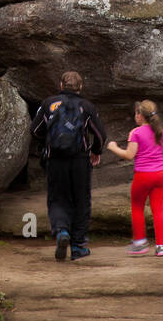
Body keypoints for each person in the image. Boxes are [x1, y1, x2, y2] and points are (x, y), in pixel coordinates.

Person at [30, 71, 106, 261]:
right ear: (80, 88)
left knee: (57, 198)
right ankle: (78, 246)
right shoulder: (87, 106)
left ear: (61, 86)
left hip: (55, 159)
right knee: (81, 200)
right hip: (80, 160)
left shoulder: (48, 104)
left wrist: (48, 142)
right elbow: (100, 135)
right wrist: (96, 151)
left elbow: (35, 130)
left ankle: (62, 231)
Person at [107, 100, 163, 257]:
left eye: (136, 113)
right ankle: (161, 247)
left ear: (140, 116)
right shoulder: (162, 133)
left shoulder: (136, 133)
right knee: (158, 210)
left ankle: (139, 243)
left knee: (137, 207)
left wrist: (114, 147)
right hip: (160, 175)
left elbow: (129, 155)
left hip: (143, 175)